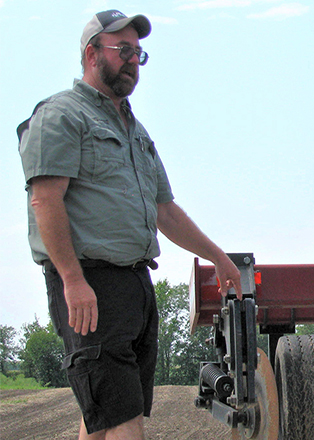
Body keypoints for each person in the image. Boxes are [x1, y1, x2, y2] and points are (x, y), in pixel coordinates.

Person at [17, 10, 243, 440]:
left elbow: (166, 211)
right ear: (90, 54)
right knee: (124, 422)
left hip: (136, 285)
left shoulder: (135, 131)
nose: (133, 61)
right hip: (90, 288)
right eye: (123, 50)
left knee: (103, 418)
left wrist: (217, 257)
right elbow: (45, 200)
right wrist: (72, 280)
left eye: (139, 53)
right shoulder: (62, 115)